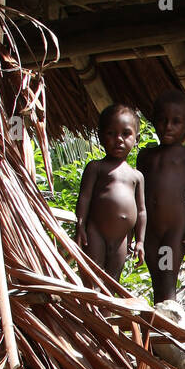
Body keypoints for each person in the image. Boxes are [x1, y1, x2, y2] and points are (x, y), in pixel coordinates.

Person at [137, 88, 185, 302]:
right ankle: (162, 324)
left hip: (173, 231)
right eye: (162, 120)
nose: (168, 127)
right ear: (154, 120)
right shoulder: (145, 155)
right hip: (150, 231)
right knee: (156, 277)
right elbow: (137, 194)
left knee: (167, 276)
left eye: (176, 122)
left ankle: (170, 323)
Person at [75, 104, 145, 282]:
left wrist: (140, 241)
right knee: (93, 280)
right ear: (100, 137)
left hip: (122, 238)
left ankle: (106, 311)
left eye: (126, 133)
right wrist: (80, 226)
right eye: (111, 133)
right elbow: (84, 198)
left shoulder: (137, 176)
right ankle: (91, 311)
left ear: (136, 139)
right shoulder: (96, 167)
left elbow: (142, 210)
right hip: (95, 231)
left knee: (112, 282)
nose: (119, 139)